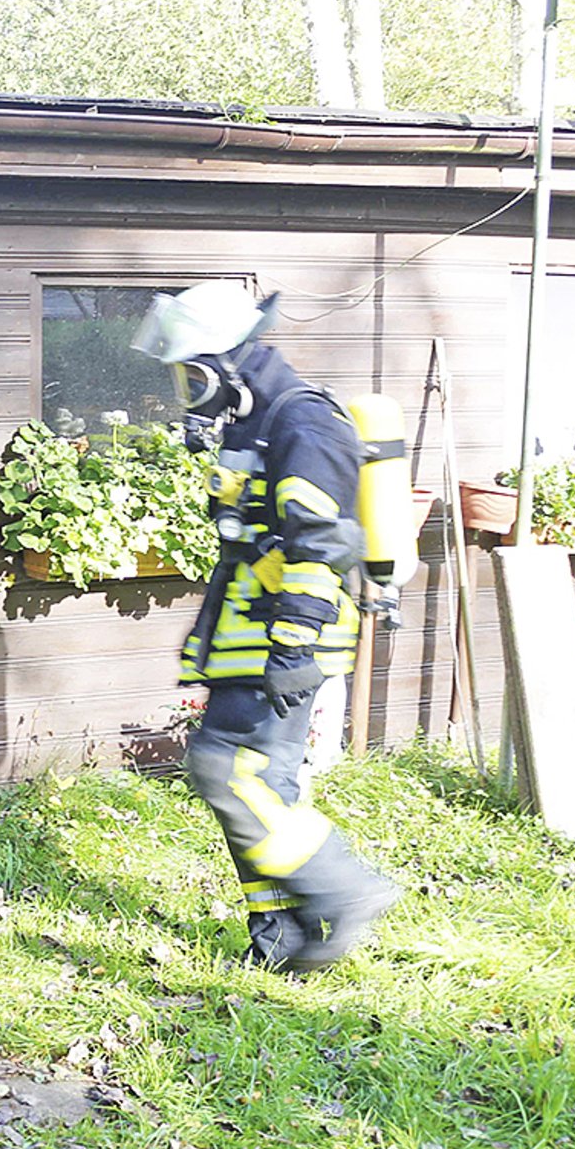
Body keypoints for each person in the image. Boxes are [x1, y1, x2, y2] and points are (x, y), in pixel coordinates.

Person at [132, 283, 399, 971]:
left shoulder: (303, 423)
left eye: (191, 374)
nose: (186, 390)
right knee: (255, 790)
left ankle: (342, 890)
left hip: (280, 639)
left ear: (228, 366)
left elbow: (322, 541)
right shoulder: (254, 421)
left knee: (226, 771)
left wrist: (293, 644)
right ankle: (280, 935)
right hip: (245, 635)